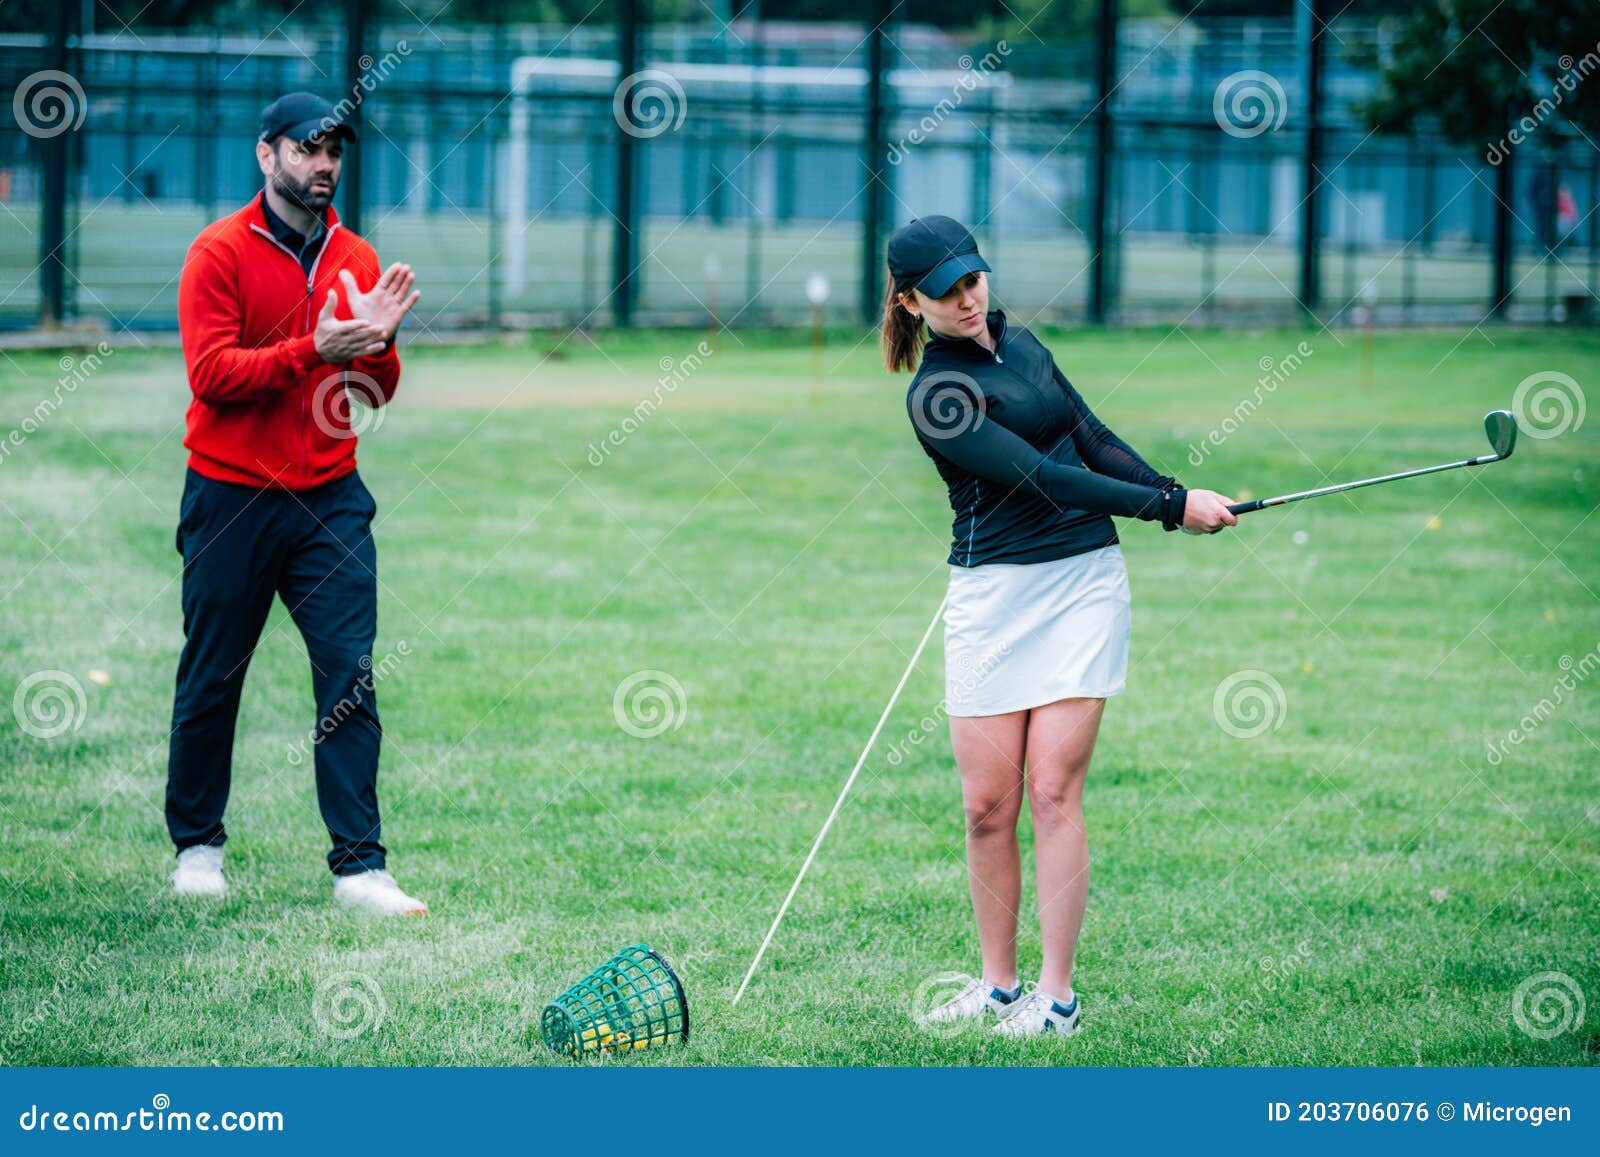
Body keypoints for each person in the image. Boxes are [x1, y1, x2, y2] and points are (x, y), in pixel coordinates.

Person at [884, 216, 1237, 1037]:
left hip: (1082, 586)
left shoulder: (1026, 343)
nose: (970, 300)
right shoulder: (935, 395)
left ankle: (1058, 997)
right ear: (909, 300)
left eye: (974, 280)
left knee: (1051, 790)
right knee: (985, 805)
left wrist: (1173, 494)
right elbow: (1042, 476)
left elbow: (1089, 438)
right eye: (947, 292)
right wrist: (1166, 508)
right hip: (991, 601)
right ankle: (998, 984)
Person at [165, 92, 425, 914]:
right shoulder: (217, 252)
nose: (323, 165)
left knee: (348, 677)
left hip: (329, 501)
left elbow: (374, 388)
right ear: (266, 154)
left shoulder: (354, 255)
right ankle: (198, 848)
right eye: (307, 149)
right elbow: (213, 376)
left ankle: (360, 867)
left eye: (333, 151)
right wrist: (311, 348)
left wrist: (375, 346)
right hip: (232, 497)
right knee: (214, 677)